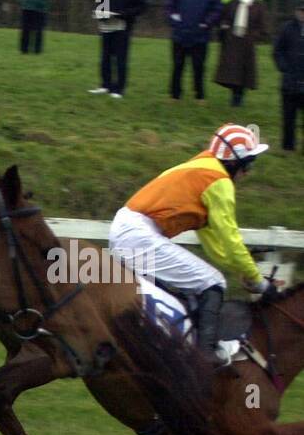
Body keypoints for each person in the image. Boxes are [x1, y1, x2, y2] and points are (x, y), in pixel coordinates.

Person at [109, 125, 275, 366]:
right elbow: (231, 239)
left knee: (198, 282)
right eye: (248, 164)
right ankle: (205, 354)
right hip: (138, 234)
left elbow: (215, 244)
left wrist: (244, 271)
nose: (248, 172)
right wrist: (259, 282)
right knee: (213, 282)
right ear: (233, 162)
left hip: (128, 229)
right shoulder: (218, 181)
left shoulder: (202, 168)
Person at [214, 0, 267, 107]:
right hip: (232, 42)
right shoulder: (232, 4)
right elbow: (223, 19)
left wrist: (253, 36)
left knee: (244, 72)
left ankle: (238, 96)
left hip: (247, 45)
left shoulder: (258, 6)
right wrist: (225, 27)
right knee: (232, 71)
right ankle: (235, 94)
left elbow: (262, 27)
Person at [89, 0, 146, 98]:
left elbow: (142, 6)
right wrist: (100, 14)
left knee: (121, 59)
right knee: (105, 58)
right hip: (105, 27)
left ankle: (119, 90)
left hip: (122, 28)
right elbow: (100, 3)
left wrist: (124, 14)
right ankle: (105, 85)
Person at [168, 0, 223, 100]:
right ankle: (175, 95)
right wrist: (175, 22)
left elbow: (217, 9)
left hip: (200, 36)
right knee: (177, 66)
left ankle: (199, 95)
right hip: (180, 35)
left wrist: (207, 23)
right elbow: (170, 7)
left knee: (199, 67)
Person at [275, 1, 304, 151]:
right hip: (290, 82)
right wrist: (284, 68)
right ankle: (287, 147)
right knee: (288, 117)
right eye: (301, 11)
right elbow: (278, 50)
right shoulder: (287, 28)